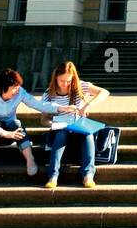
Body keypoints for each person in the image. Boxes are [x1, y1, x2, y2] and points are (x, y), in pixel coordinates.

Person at [0, 67, 79, 191]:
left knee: (16, 123)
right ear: (3, 87)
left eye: (18, 87)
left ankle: (30, 159)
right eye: (14, 88)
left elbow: (38, 104)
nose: (17, 91)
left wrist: (62, 108)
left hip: (10, 134)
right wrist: (4, 133)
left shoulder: (20, 93)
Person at [41, 61, 110, 190]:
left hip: (79, 126)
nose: (65, 84)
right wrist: (53, 124)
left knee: (87, 134)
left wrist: (87, 105)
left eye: (69, 81)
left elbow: (104, 92)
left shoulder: (80, 86)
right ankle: (53, 176)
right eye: (62, 81)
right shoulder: (48, 94)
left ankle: (88, 175)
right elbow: (43, 120)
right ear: (55, 78)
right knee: (61, 134)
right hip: (60, 128)